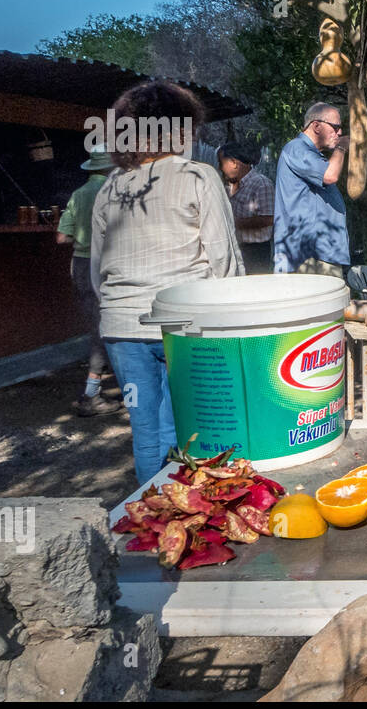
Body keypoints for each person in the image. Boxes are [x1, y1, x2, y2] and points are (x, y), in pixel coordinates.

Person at [90, 82, 243, 484]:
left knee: (146, 431)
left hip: (121, 328)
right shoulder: (198, 175)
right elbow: (223, 258)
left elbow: (96, 270)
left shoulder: (110, 188)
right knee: (186, 428)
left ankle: (151, 519)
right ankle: (182, 517)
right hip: (185, 325)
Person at [56, 144, 119, 417]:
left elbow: (62, 237)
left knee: (97, 328)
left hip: (80, 265)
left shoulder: (77, 194)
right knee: (109, 330)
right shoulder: (114, 193)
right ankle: (91, 395)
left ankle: (102, 389)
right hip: (108, 265)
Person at [274, 102, 349, 277]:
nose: (339, 133)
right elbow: (330, 175)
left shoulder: (313, 155)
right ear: (316, 126)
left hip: (321, 255)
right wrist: (342, 147)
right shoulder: (296, 149)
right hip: (308, 257)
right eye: (336, 127)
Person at [218, 142, 275, 274]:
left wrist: (233, 223)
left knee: (256, 291)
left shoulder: (261, 183)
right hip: (235, 248)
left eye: (221, 163)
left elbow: (268, 218)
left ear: (234, 163)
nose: (220, 168)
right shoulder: (227, 186)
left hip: (255, 252)